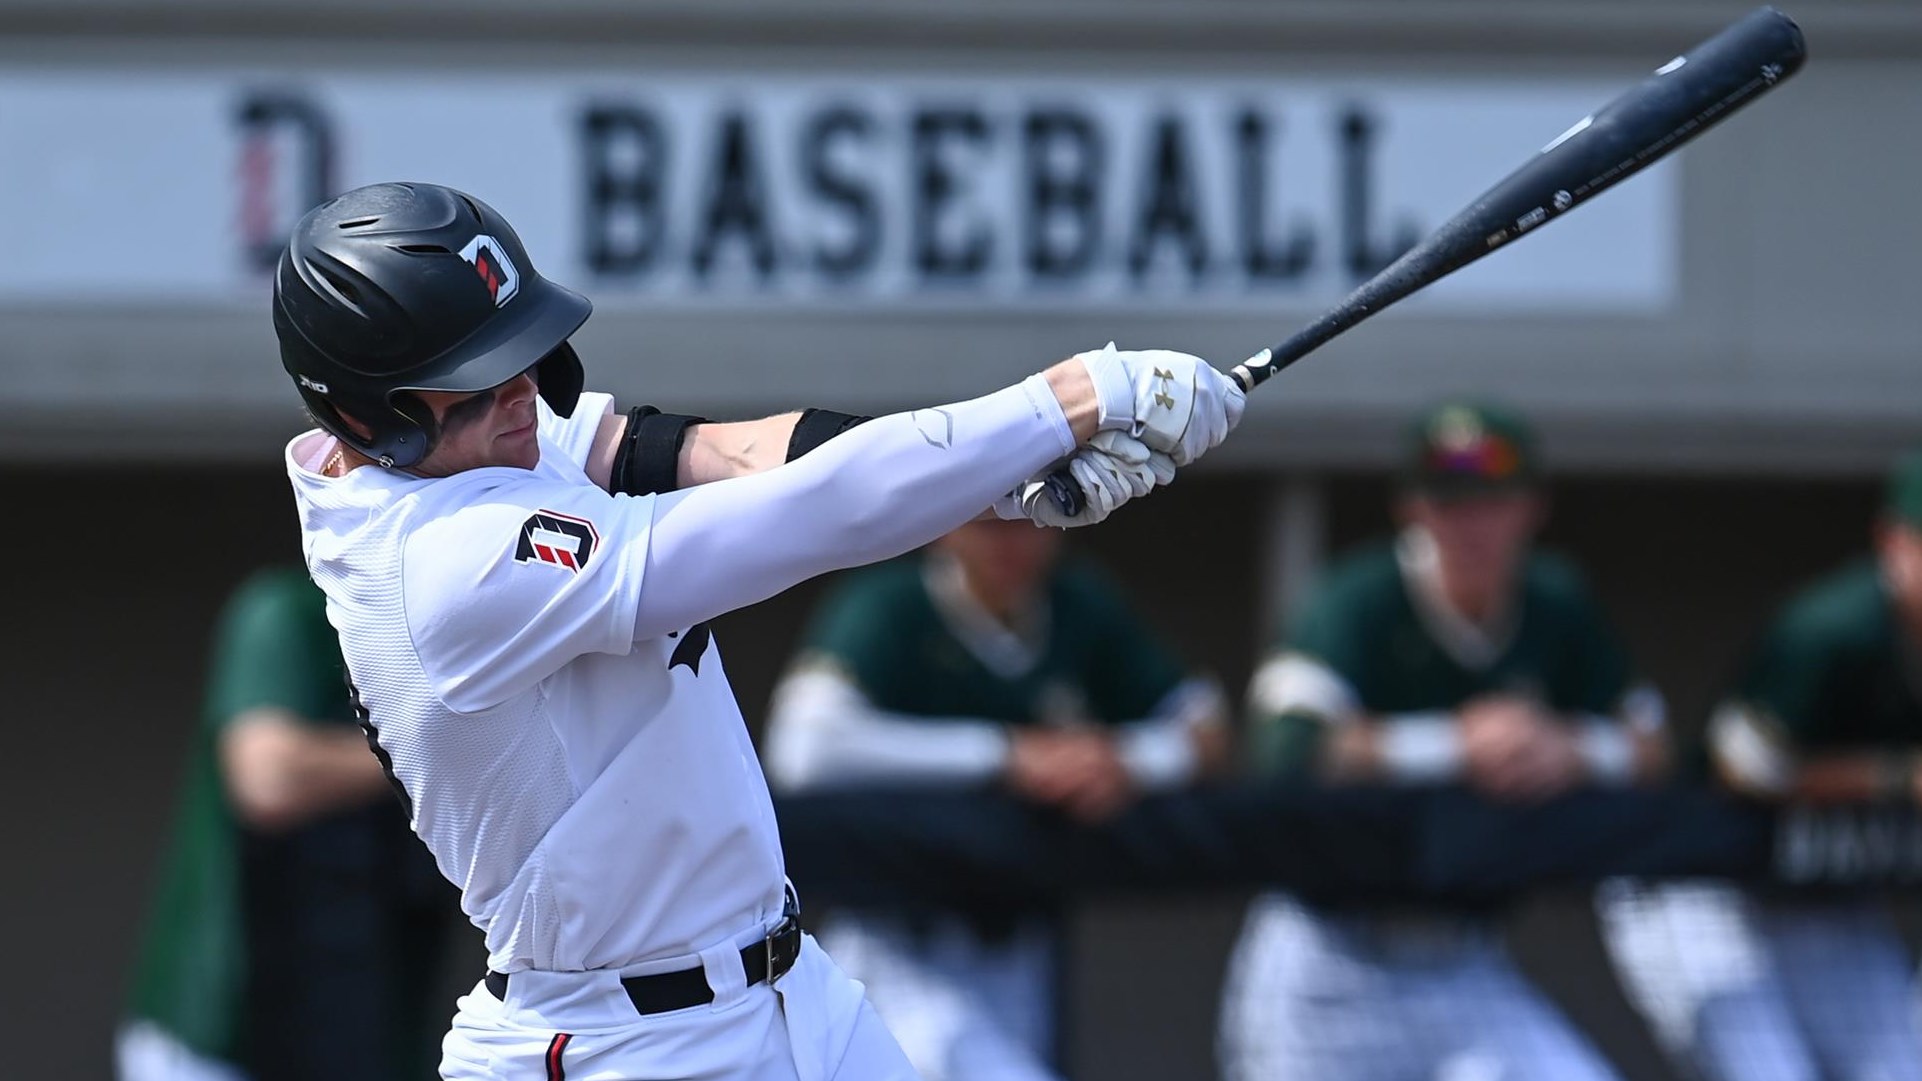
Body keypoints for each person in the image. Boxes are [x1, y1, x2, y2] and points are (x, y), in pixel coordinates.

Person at [271, 180, 1243, 1081]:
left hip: (791, 990)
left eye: (519, 357)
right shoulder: (441, 559)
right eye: (474, 380)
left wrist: (996, 486)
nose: (519, 392)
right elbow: (809, 518)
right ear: (364, 410)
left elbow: (729, 453)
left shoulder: (481, 441)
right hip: (620, 1043)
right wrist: (1073, 398)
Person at [1217, 401, 1669, 1081]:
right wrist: (1456, 744)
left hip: (1464, 960)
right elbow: (1287, 747)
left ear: (1531, 508)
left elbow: (1654, 746)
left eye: (1493, 502)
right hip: (1329, 959)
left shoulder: (1555, 603)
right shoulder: (1360, 598)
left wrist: (1570, 749)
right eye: (1451, 502)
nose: (1473, 525)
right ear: (1414, 509)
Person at [762, 516, 1229, 1081]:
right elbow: (801, 748)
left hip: (1016, 940)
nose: (1011, 543)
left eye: (1030, 523)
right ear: (948, 527)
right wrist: (1004, 755)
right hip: (892, 938)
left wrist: (1125, 760)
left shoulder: (1078, 602)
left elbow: (1206, 727)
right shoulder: (892, 604)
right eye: (990, 524)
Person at [1599, 451, 1922, 1081]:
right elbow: (1741, 768)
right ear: (1894, 541)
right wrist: (1891, 777)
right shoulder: (1832, 629)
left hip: (1821, 899)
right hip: (1699, 891)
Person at [119, 567, 466, 1081]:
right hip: (230, 1033)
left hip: (375, 1025)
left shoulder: (468, 646)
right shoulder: (291, 612)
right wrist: (445, 757)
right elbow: (268, 779)